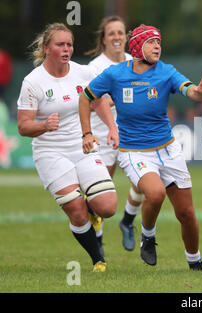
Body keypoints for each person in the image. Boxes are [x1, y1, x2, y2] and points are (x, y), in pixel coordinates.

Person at [79, 24, 202, 270]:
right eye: (151, 42)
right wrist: (87, 132)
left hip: (169, 150)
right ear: (137, 46)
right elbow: (86, 97)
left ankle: (195, 262)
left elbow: (191, 91)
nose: (157, 47)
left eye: (159, 42)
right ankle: (148, 235)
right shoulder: (115, 74)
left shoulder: (166, 71)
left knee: (186, 213)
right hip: (134, 152)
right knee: (155, 193)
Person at [17, 23, 117, 272]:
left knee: (108, 207)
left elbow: (99, 102)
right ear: (46, 48)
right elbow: (23, 126)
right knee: (76, 210)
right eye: (60, 44)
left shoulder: (83, 73)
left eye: (69, 44)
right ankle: (98, 259)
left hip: (82, 145)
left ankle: (92, 208)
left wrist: (112, 127)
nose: (66, 49)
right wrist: (43, 125)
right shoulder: (33, 82)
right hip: (50, 152)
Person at [85, 15, 139, 253]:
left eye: (121, 32)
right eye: (112, 33)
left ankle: (127, 222)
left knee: (145, 183)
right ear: (104, 39)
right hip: (103, 136)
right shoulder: (94, 68)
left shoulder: (135, 62)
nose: (117, 37)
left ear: (127, 37)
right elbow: (84, 102)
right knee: (101, 194)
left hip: (132, 134)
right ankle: (97, 239)